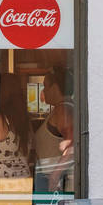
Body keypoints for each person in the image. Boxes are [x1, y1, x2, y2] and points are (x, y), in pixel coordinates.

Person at [33, 65, 75, 194]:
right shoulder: (62, 108)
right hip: (51, 177)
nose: (43, 91)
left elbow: (72, 145)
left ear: (55, 88)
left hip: (54, 181)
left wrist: (56, 175)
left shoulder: (63, 110)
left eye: (45, 86)